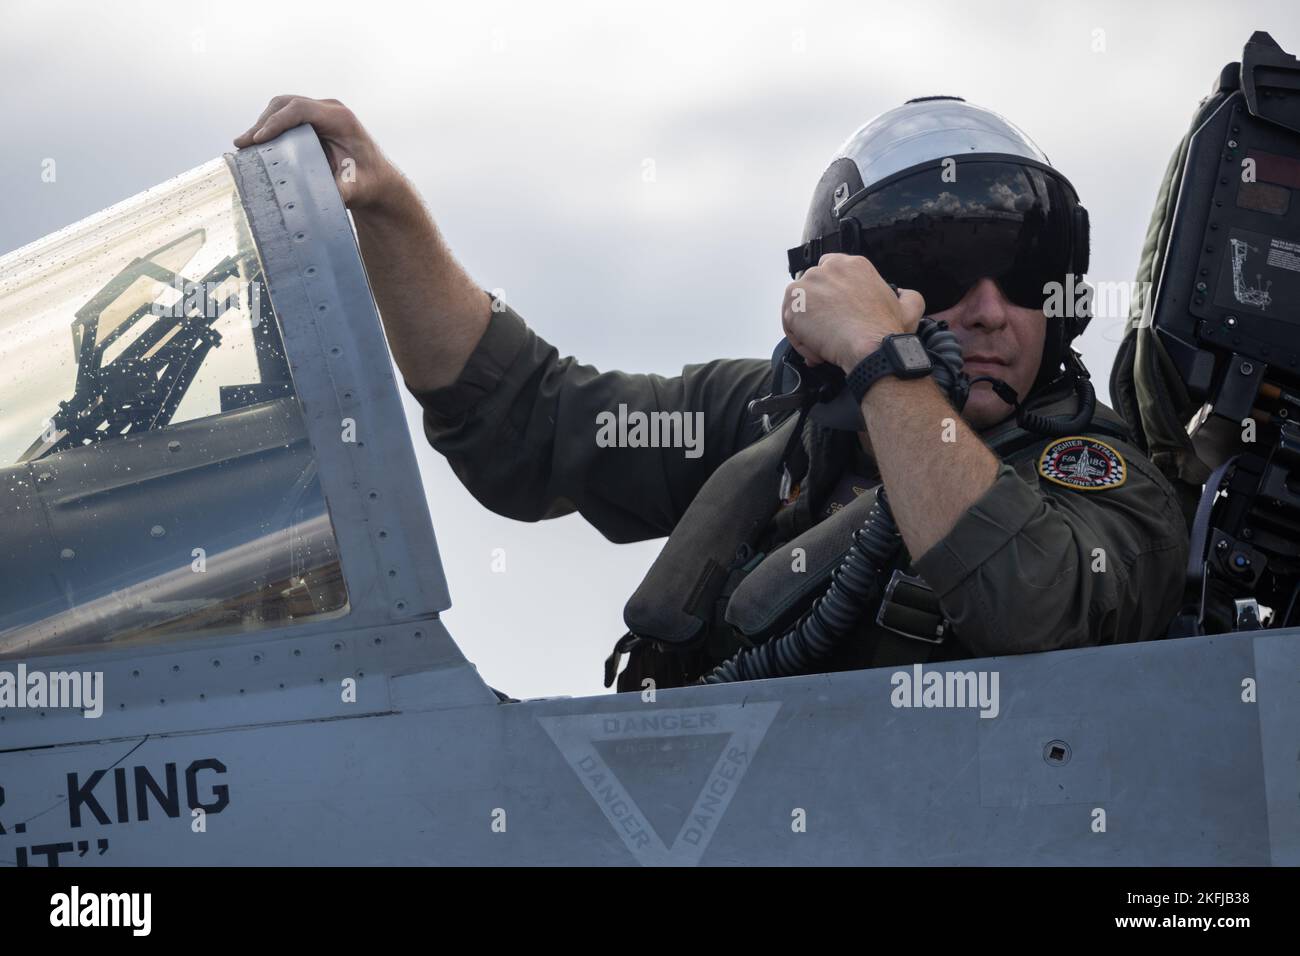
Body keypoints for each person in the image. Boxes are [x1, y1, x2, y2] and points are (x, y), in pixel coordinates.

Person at [234, 95, 1190, 691]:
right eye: (946, 267)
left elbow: (1039, 613)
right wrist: (387, 209)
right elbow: (524, 420)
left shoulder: (1109, 485)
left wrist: (885, 365)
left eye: (1027, 269)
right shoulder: (772, 420)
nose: (990, 311)